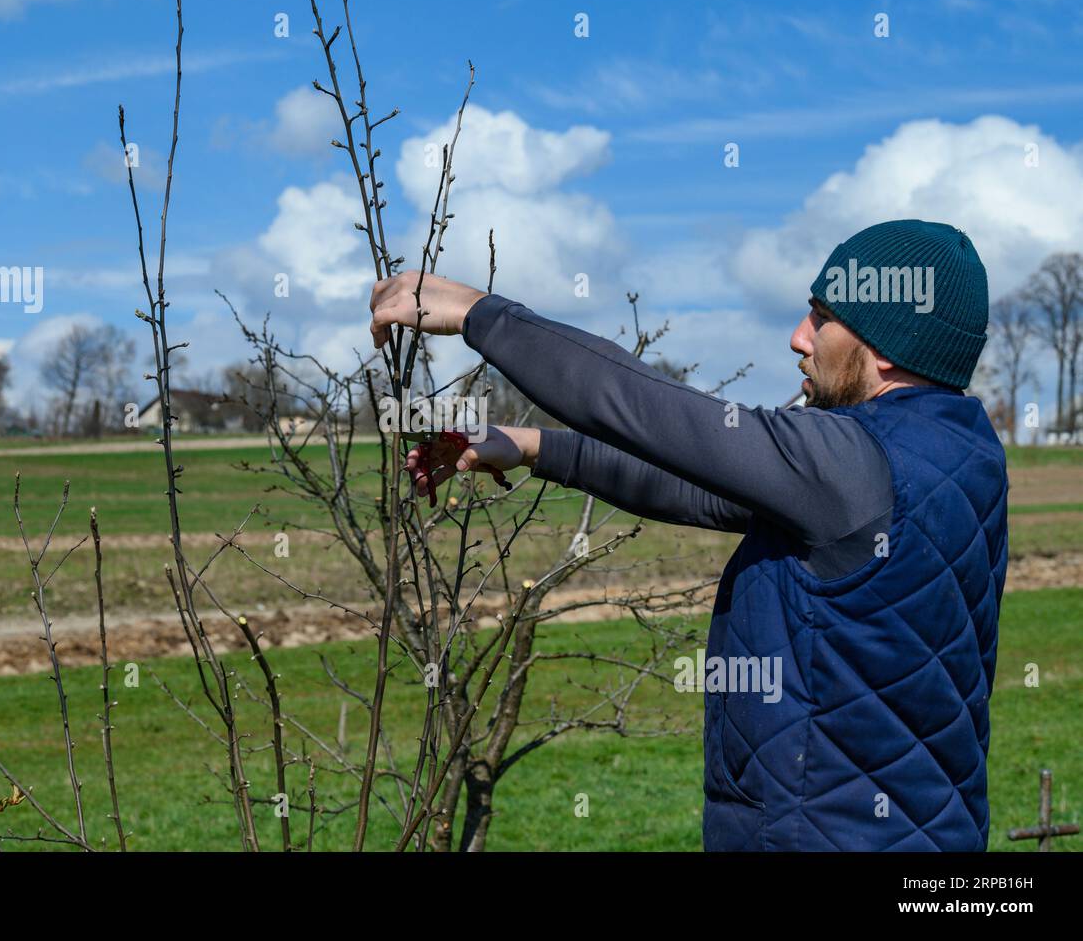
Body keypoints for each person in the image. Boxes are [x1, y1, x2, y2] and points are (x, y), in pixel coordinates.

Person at [368, 219, 1008, 851]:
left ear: (886, 343)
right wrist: (531, 446)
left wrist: (480, 314)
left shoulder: (853, 465)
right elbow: (702, 486)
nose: (798, 338)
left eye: (821, 318)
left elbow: (645, 410)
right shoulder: (959, 455)